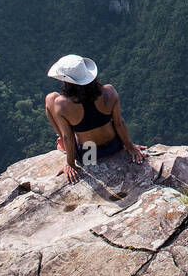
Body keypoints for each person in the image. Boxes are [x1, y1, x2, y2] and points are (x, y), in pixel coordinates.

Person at [43, 54, 145, 182]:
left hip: (89, 155)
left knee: (50, 98)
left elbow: (68, 136)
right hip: (114, 146)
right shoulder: (109, 91)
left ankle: (63, 145)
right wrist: (130, 146)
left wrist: (70, 164)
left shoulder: (62, 104)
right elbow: (119, 123)